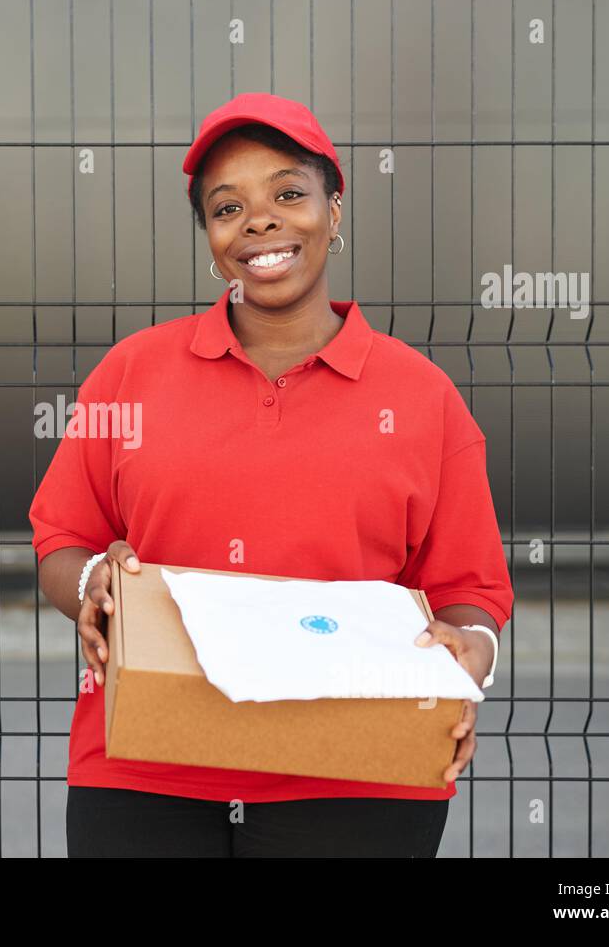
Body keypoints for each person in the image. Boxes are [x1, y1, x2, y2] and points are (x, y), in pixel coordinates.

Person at [29, 92, 514, 857]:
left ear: (334, 208)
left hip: (359, 773)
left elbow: (471, 591)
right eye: (228, 208)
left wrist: (472, 650)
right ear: (212, 238)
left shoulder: (423, 397)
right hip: (145, 770)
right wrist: (92, 577)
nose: (260, 221)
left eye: (289, 193)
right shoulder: (128, 373)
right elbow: (62, 537)